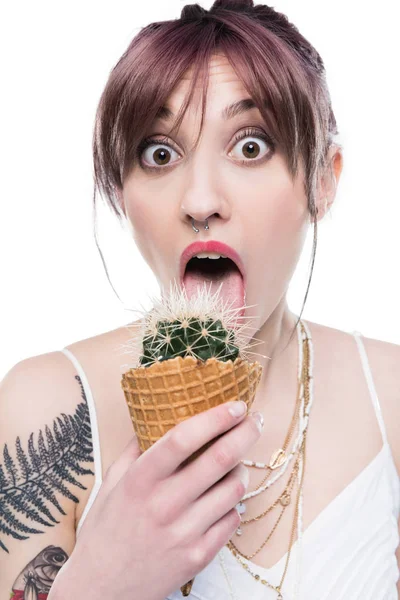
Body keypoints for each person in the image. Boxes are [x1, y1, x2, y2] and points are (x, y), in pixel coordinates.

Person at [1, 1, 399, 598]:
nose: (200, 199)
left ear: (324, 178)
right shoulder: (44, 409)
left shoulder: (391, 396)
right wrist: (101, 581)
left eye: (250, 146)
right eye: (159, 153)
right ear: (120, 190)